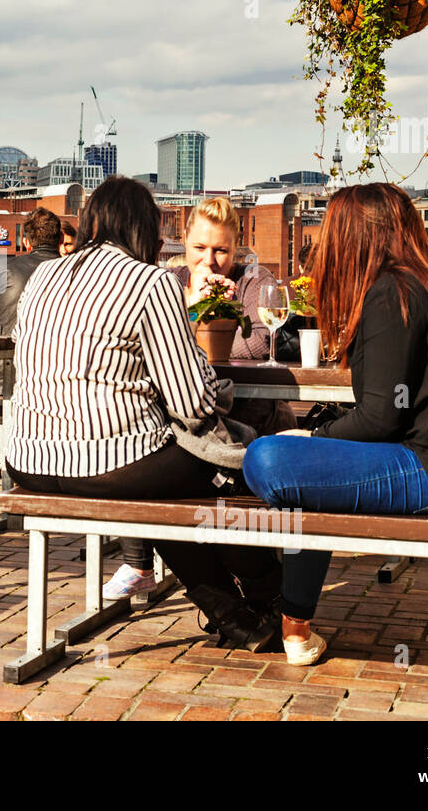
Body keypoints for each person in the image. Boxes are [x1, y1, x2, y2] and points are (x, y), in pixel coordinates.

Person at [242, 183, 428, 666]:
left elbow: (380, 417)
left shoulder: (394, 292)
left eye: (331, 231)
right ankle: (295, 625)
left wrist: (311, 437)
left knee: (269, 457)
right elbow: (392, 411)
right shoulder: (424, 287)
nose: (326, 243)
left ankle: (290, 616)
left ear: (355, 237)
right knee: (303, 468)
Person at [6, 177, 279, 651]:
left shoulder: (43, 276)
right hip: (108, 465)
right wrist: (223, 388)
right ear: (144, 230)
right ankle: (272, 595)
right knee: (219, 474)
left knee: (166, 493)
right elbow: (194, 402)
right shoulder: (150, 282)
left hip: (28, 461)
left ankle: (237, 618)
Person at [105, 196, 297, 600]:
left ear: (236, 247)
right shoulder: (167, 283)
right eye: (200, 248)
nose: (210, 260)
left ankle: (255, 582)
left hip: (249, 417)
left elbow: (260, 343)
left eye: (221, 250)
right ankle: (143, 559)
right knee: (136, 444)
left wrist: (197, 322)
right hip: (187, 417)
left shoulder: (254, 282)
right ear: (185, 242)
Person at [0, 207, 61, 395]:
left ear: (26, 242)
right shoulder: (75, 274)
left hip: (0, 376)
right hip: (53, 379)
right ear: (60, 239)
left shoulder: (3, 269)